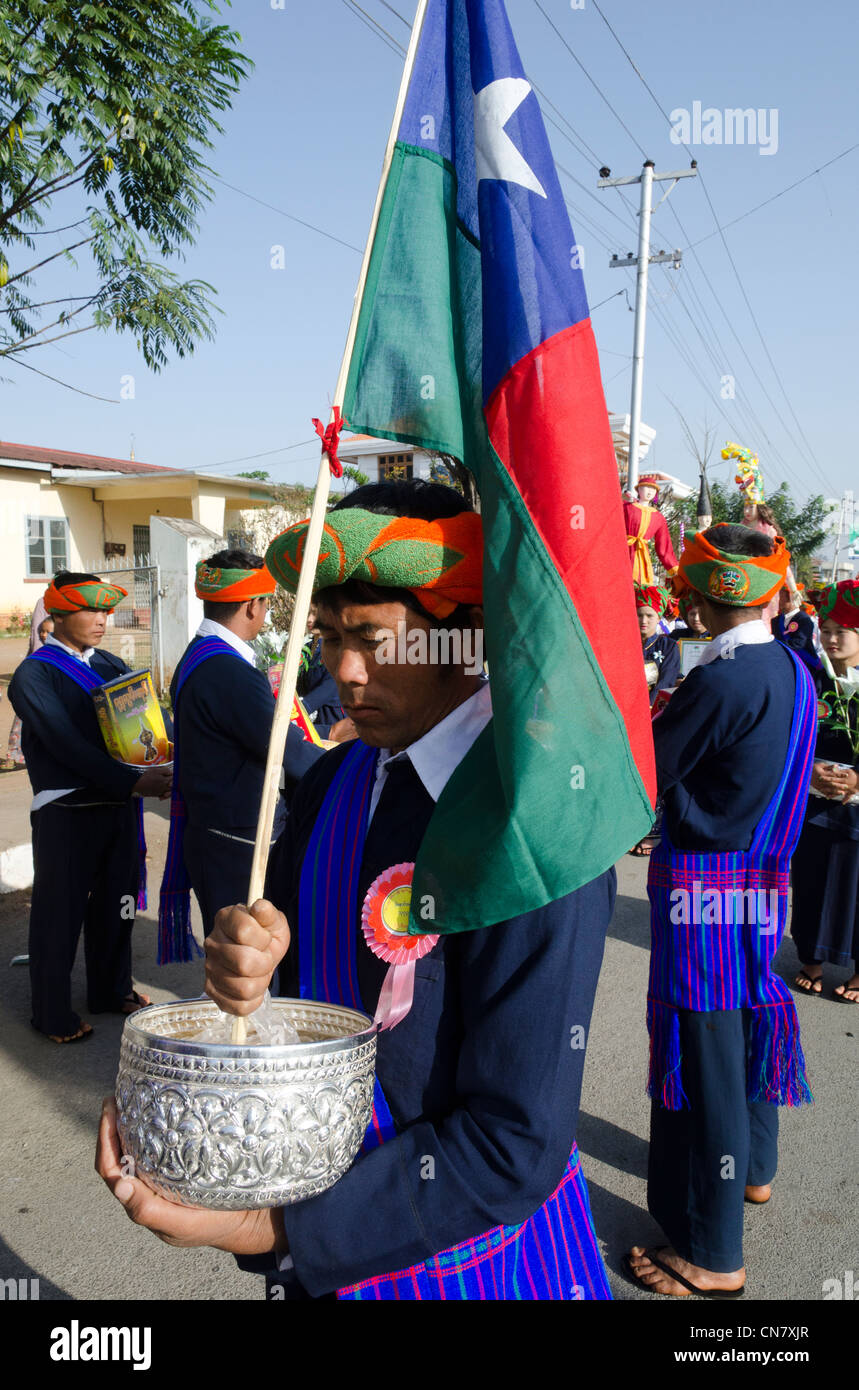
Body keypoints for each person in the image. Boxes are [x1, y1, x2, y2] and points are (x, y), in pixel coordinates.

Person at [97, 480, 616, 1301]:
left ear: (464, 636)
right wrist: (254, 968)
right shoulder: (338, 777)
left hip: (466, 1257)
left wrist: (271, 1230)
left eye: (377, 640)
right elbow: (300, 995)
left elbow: (514, 1143)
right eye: (330, 634)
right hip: (314, 1212)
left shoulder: (530, 825)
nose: (342, 671)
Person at [624, 523, 816, 1297]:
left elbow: (649, 770)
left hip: (706, 888)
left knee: (704, 1059)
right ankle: (753, 1173)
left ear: (701, 596)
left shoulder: (721, 679)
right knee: (744, 1030)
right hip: (760, 882)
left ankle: (712, 1254)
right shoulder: (793, 668)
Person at [8, 572, 171, 1043]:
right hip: (68, 810)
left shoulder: (111, 663)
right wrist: (136, 780)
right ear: (58, 615)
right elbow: (65, 745)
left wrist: (159, 756)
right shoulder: (34, 675)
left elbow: (138, 728)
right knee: (60, 914)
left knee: (117, 906)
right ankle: (50, 1010)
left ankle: (110, 988)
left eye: (105, 611)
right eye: (91, 611)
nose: (103, 619)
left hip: (118, 804)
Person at [158, 549, 332, 961]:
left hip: (215, 836)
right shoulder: (227, 671)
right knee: (250, 963)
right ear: (253, 605)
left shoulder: (198, 655)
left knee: (237, 959)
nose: (267, 612)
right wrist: (343, 773)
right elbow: (282, 750)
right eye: (267, 603)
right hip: (238, 846)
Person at [790, 579, 859, 1002]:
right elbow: (790, 736)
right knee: (812, 878)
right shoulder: (810, 678)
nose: (831, 639)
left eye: (842, 631)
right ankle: (811, 959)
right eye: (827, 630)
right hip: (814, 801)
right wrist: (810, 771)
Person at [4, 608, 52, 769]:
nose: (44, 635)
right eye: (42, 631)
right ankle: (13, 755)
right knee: (21, 723)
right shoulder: (35, 658)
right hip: (30, 695)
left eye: (48, 632)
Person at [623, 474, 678, 586]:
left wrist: (674, 569)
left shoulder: (658, 517)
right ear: (638, 489)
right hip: (624, 552)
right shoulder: (627, 508)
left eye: (653, 489)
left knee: (641, 586)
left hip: (643, 556)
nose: (650, 491)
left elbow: (664, 547)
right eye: (646, 487)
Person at [635, 584, 681, 706]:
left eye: (649, 616)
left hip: (653, 709)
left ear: (659, 618)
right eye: (639, 615)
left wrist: (649, 708)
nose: (644, 621)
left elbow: (666, 682)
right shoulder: (625, 644)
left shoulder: (668, 647)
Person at [774, 583, 821, 673]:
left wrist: (773, 645)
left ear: (791, 598)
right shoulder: (775, 620)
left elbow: (798, 644)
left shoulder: (804, 619)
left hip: (803, 667)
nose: (777, 600)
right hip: (783, 666)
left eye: (779, 596)